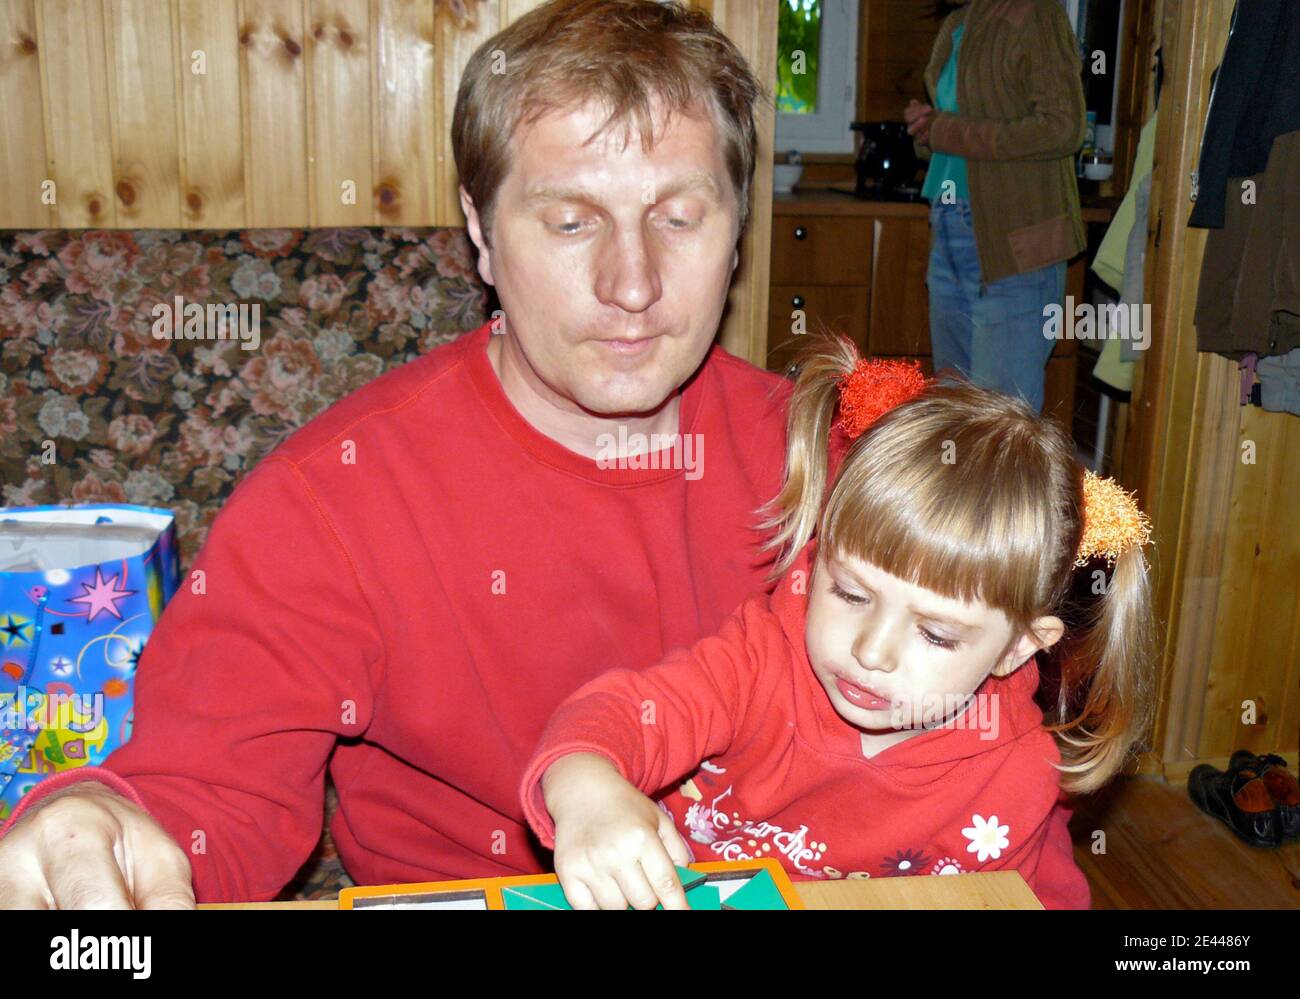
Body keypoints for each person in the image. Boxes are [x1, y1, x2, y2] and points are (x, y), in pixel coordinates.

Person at [0, 0, 791, 908]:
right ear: (482, 233)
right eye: (571, 223)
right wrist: (101, 822)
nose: (633, 285)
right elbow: (207, 792)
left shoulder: (833, 457)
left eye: (680, 217)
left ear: (738, 232)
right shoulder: (327, 501)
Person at [519, 335, 1157, 910]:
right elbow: (618, 716)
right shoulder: (758, 661)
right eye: (850, 594)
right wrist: (588, 792)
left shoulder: (1020, 768)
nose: (871, 651)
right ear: (817, 554)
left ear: (1019, 647)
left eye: (935, 633)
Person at [904, 0, 1087, 412]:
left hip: (1014, 242)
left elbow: (1064, 127)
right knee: (954, 414)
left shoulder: (1036, 12)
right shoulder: (959, 21)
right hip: (950, 226)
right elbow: (963, 129)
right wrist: (927, 130)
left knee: (1001, 423)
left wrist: (946, 131)